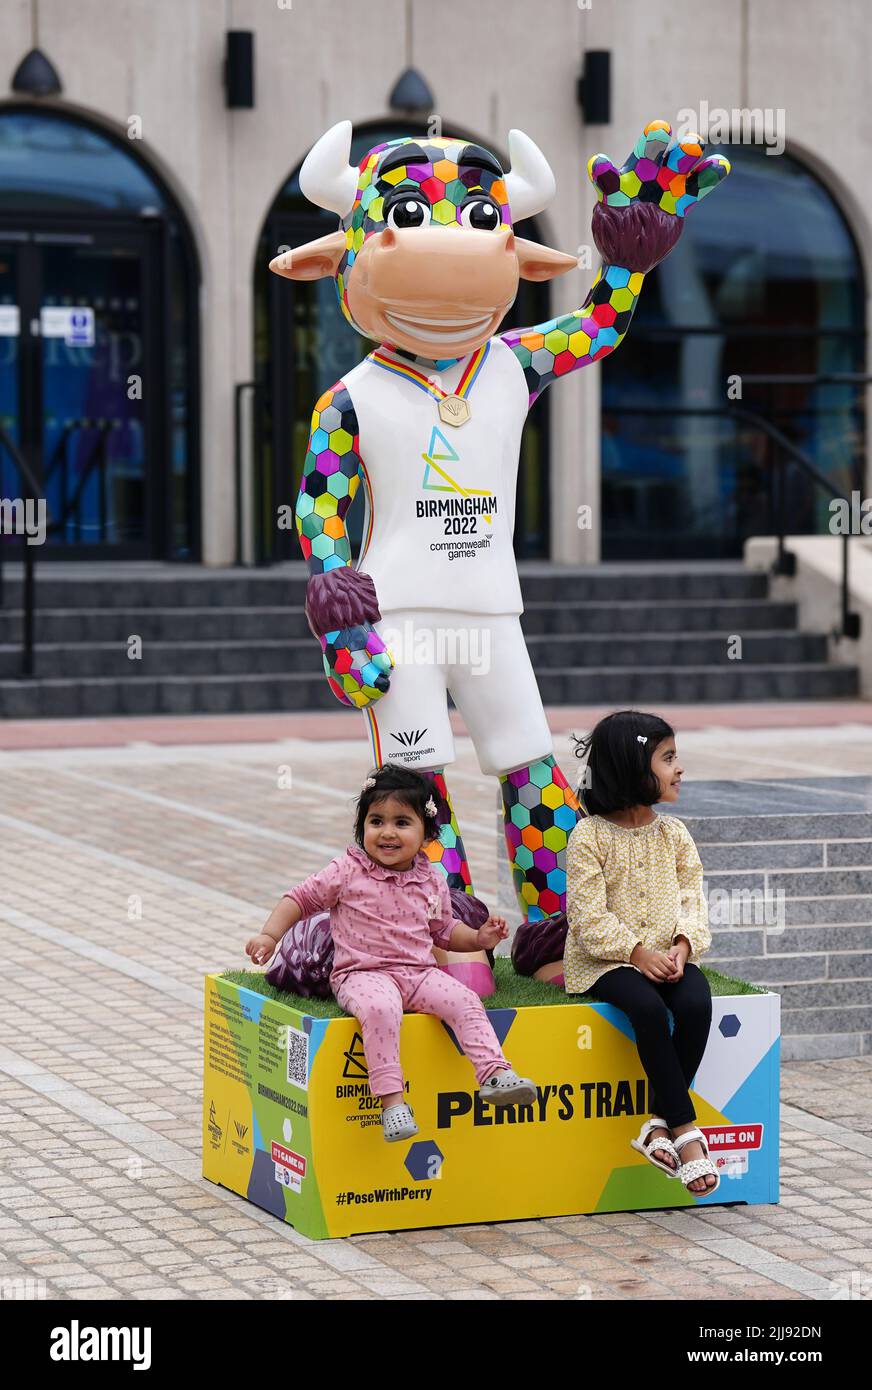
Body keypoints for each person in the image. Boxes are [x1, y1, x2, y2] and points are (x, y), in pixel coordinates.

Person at [245, 762, 536, 1142]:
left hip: (418, 973)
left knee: (464, 1000)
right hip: (362, 975)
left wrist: (479, 939)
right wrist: (270, 935)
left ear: (426, 833)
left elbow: (444, 930)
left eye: (402, 822)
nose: (387, 832)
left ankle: (495, 1074)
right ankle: (393, 1103)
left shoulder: (430, 878)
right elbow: (299, 898)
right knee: (381, 1009)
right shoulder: (347, 870)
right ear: (361, 826)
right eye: (376, 821)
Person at [565, 710, 719, 1196]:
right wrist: (635, 953)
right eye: (668, 758)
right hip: (605, 961)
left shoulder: (674, 833)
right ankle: (688, 1136)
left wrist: (682, 944)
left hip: (668, 953)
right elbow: (588, 918)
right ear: (633, 766)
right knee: (648, 1009)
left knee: (695, 1003)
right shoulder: (588, 835)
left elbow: (694, 897)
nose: (679, 769)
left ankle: (656, 1126)